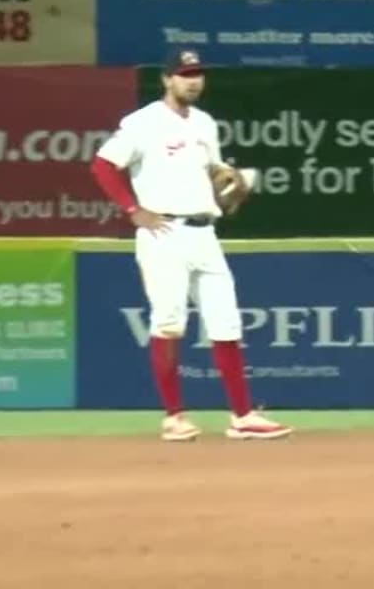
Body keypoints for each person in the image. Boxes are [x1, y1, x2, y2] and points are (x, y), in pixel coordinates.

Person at [89, 48, 292, 443]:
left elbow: (213, 173)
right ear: (166, 79)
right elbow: (102, 166)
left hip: (204, 231)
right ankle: (174, 416)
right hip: (164, 232)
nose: (193, 80)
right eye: (184, 74)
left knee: (227, 322)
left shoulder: (204, 123)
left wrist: (230, 186)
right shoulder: (143, 122)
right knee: (169, 324)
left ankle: (243, 415)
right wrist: (133, 210)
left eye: (198, 73)